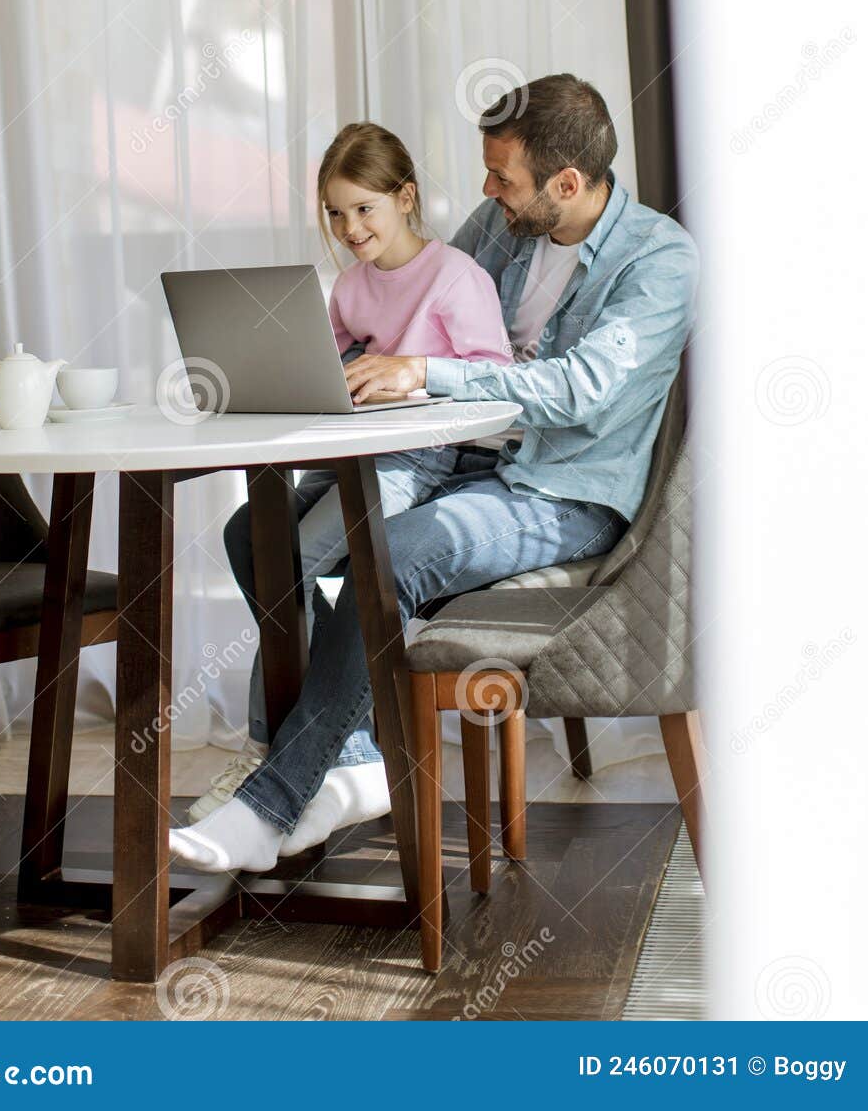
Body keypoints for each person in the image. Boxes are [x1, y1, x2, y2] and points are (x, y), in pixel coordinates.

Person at [170, 74, 699, 875]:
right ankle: (348, 755)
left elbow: (579, 391)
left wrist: (423, 372)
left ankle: (274, 797)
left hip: (561, 490)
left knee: (392, 553)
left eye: (503, 178)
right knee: (256, 532)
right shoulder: (503, 224)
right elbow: (430, 305)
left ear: (566, 183)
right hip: (457, 463)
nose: (486, 193)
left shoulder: (659, 260)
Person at [185, 119, 512, 826]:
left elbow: (498, 379)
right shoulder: (352, 287)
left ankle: (269, 747)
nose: (350, 227)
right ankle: (342, 743)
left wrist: (413, 383)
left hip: (416, 459)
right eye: (336, 213)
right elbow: (319, 361)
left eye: (364, 208)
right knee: (250, 534)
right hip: (350, 454)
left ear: (405, 198)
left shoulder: (455, 277)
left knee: (294, 558)